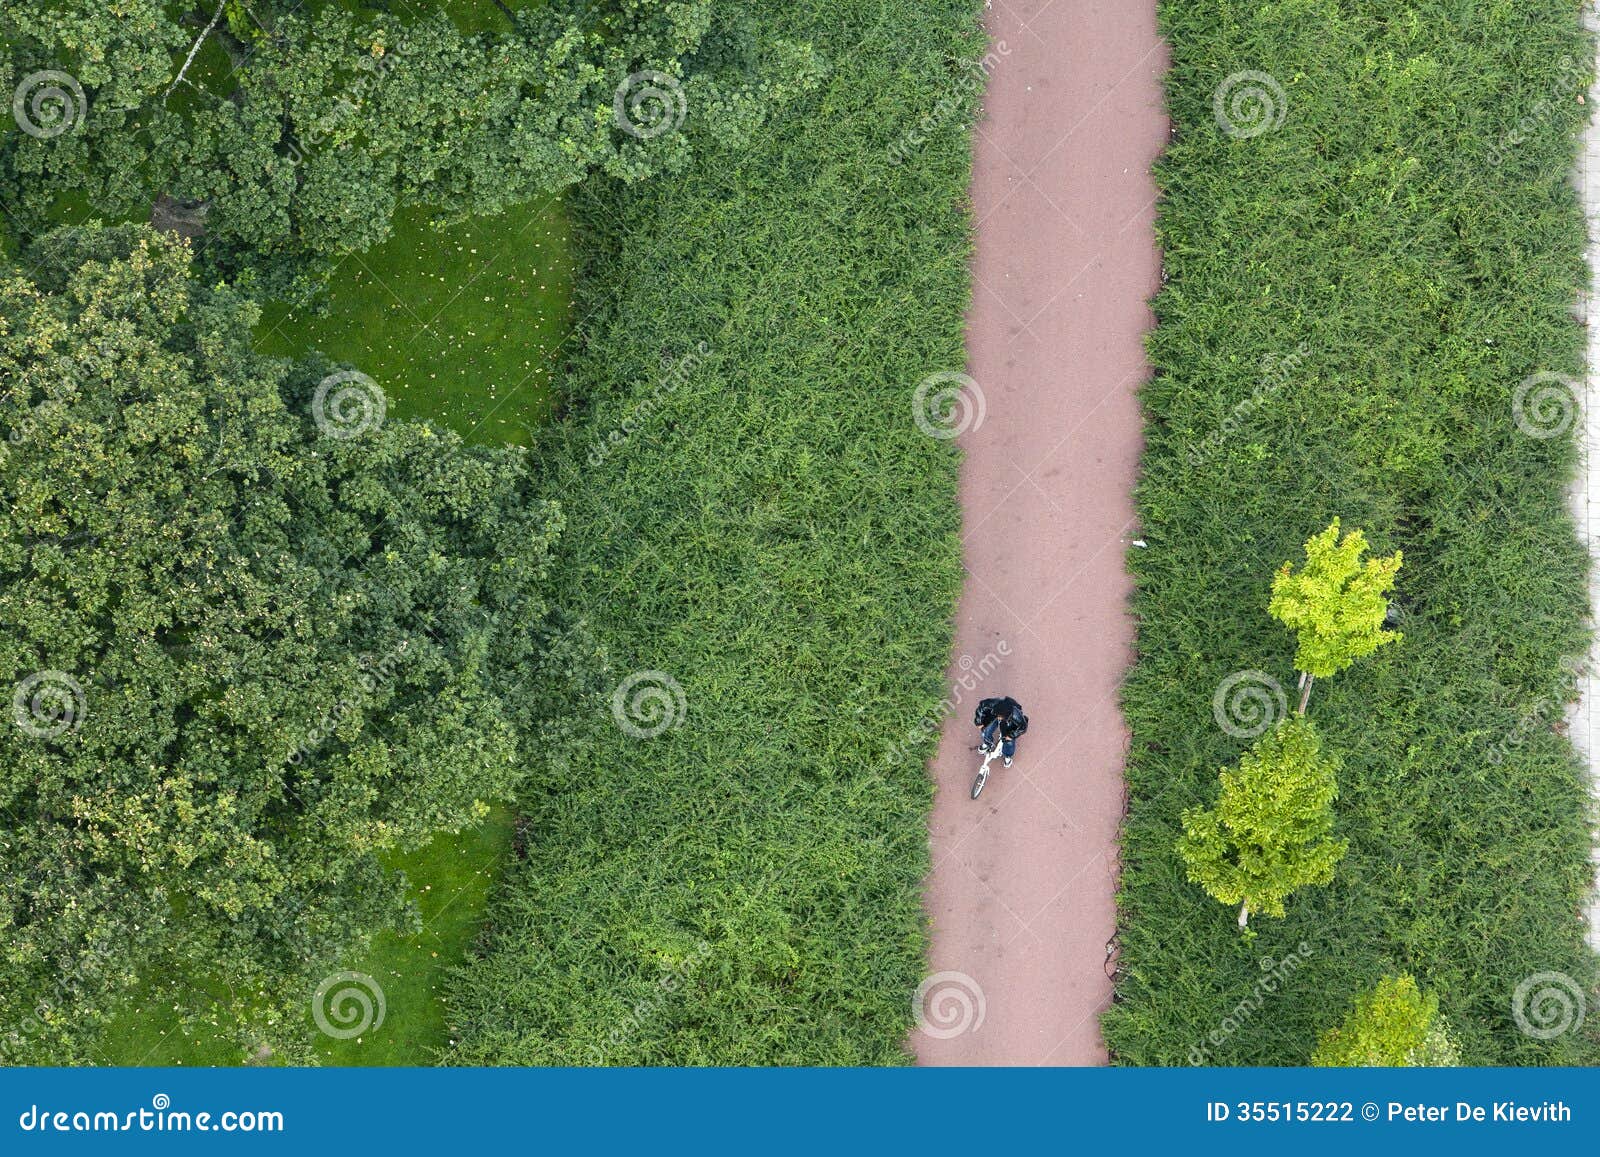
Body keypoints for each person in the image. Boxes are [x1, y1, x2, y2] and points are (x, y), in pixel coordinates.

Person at [973, 696, 1028, 768]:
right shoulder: (992, 704)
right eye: (999, 716)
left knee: (1009, 741)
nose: (999, 718)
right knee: (987, 729)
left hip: (1009, 722)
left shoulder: (1016, 715)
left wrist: (1011, 735)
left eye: (1001, 717)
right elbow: (981, 707)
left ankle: (1007, 755)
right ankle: (987, 743)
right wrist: (978, 722)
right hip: (995, 714)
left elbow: (1023, 727)